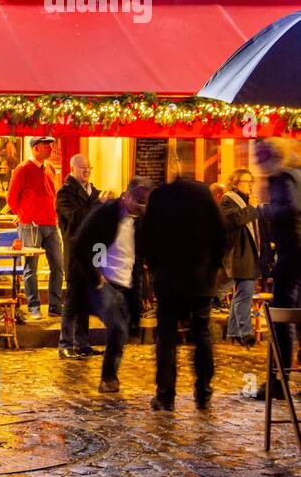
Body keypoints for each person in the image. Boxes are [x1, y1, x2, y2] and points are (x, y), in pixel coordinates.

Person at [142, 176, 228, 411]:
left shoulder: (160, 196)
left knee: (167, 337)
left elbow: (146, 235)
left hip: (169, 279)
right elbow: (222, 233)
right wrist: (213, 266)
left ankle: (165, 394)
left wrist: (154, 266)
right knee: (201, 334)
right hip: (200, 279)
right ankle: (203, 392)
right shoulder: (203, 194)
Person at [70, 177, 152, 388]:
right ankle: (108, 378)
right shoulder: (105, 213)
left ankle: (110, 375)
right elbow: (80, 244)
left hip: (126, 283)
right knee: (117, 327)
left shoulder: (141, 221)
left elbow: (138, 256)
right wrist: (96, 277)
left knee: (121, 331)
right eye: (138, 203)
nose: (141, 208)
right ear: (126, 196)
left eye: (145, 204)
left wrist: (139, 289)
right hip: (103, 281)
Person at [254, 140, 301, 400]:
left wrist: (264, 208)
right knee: (293, 316)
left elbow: (290, 208)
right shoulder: (296, 174)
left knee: (282, 319)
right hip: (294, 251)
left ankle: (279, 380)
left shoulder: (282, 178)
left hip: (292, 252)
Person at [7, 135, 63, 320]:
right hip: (30, 225)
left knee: (58, 265)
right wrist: (24, 216)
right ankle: (33, 306)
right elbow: (11, 198)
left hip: (50, 223)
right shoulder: (22, 169)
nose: (50, 148)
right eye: (46, 146)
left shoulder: (49, 168)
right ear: (36, 147)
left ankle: (55, 305)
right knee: (31, 267)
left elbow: (51, 194)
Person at [55, 154, 105, 354]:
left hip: (91, 253)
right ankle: (65, 344)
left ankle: (82, 343)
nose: (87, 171)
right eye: (83, 168)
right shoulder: (65, 193)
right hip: (75, 254)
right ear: (72, 169)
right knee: (73, 298)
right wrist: (98, 204)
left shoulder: (93, 192)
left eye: (89, 168)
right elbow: (76, 218)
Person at [220, 168, 262, 346]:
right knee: (244, 293)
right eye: (246, 181)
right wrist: (251, 207)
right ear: (235, 183)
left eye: (252, 181)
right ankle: (245, 333)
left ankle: (233, 332)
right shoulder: (227, 200)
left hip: (249, 253)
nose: (250, 185)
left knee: (242, 293)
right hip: (239, 254)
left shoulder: (247, 201)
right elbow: (235, 221)